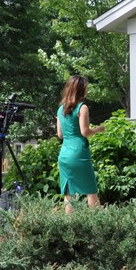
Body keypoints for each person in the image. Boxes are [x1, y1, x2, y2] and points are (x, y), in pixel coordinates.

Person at [57, 75, 104, 212]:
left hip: (64, 155)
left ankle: (69, 226)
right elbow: (85, 132)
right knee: (91, 190)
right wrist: (98, 129)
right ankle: (98, 225)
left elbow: (60, 134)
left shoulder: (60, 110)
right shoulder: (82, 108)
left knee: (69, 194)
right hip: (79, 154)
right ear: (81, 89)